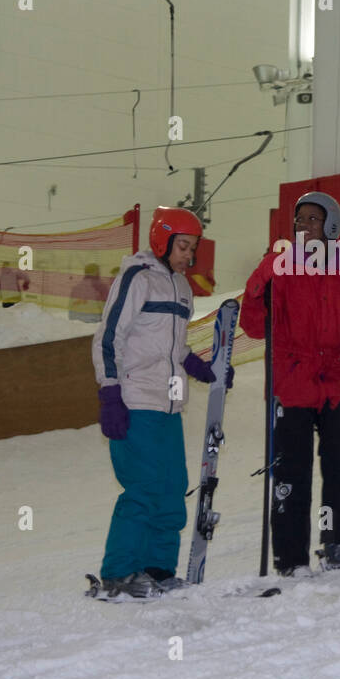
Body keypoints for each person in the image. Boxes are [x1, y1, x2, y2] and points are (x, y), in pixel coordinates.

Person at [91, 207, 231, 600]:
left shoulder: (182, 287)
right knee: (144, 487)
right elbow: (108, 338)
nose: (189, 254)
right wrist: (110, 392)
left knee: (172, 488)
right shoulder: (136, 278)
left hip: (169, 402)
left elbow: (175, 346)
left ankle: (157, 568)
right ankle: (119, 573)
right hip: (135, 398)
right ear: (162, 241)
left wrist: (202, 369)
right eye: (183, 246)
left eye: (193, 248)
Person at [240, 191, 340, 575]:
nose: (303, 226)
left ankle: (338, 545)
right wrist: (259, 282)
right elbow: (253, 325)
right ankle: (290, 558)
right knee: (291, 471)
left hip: (334, 384)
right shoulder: (280, 266)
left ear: (331, 225)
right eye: (299, 220)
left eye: (312, 220)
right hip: (293, 383)